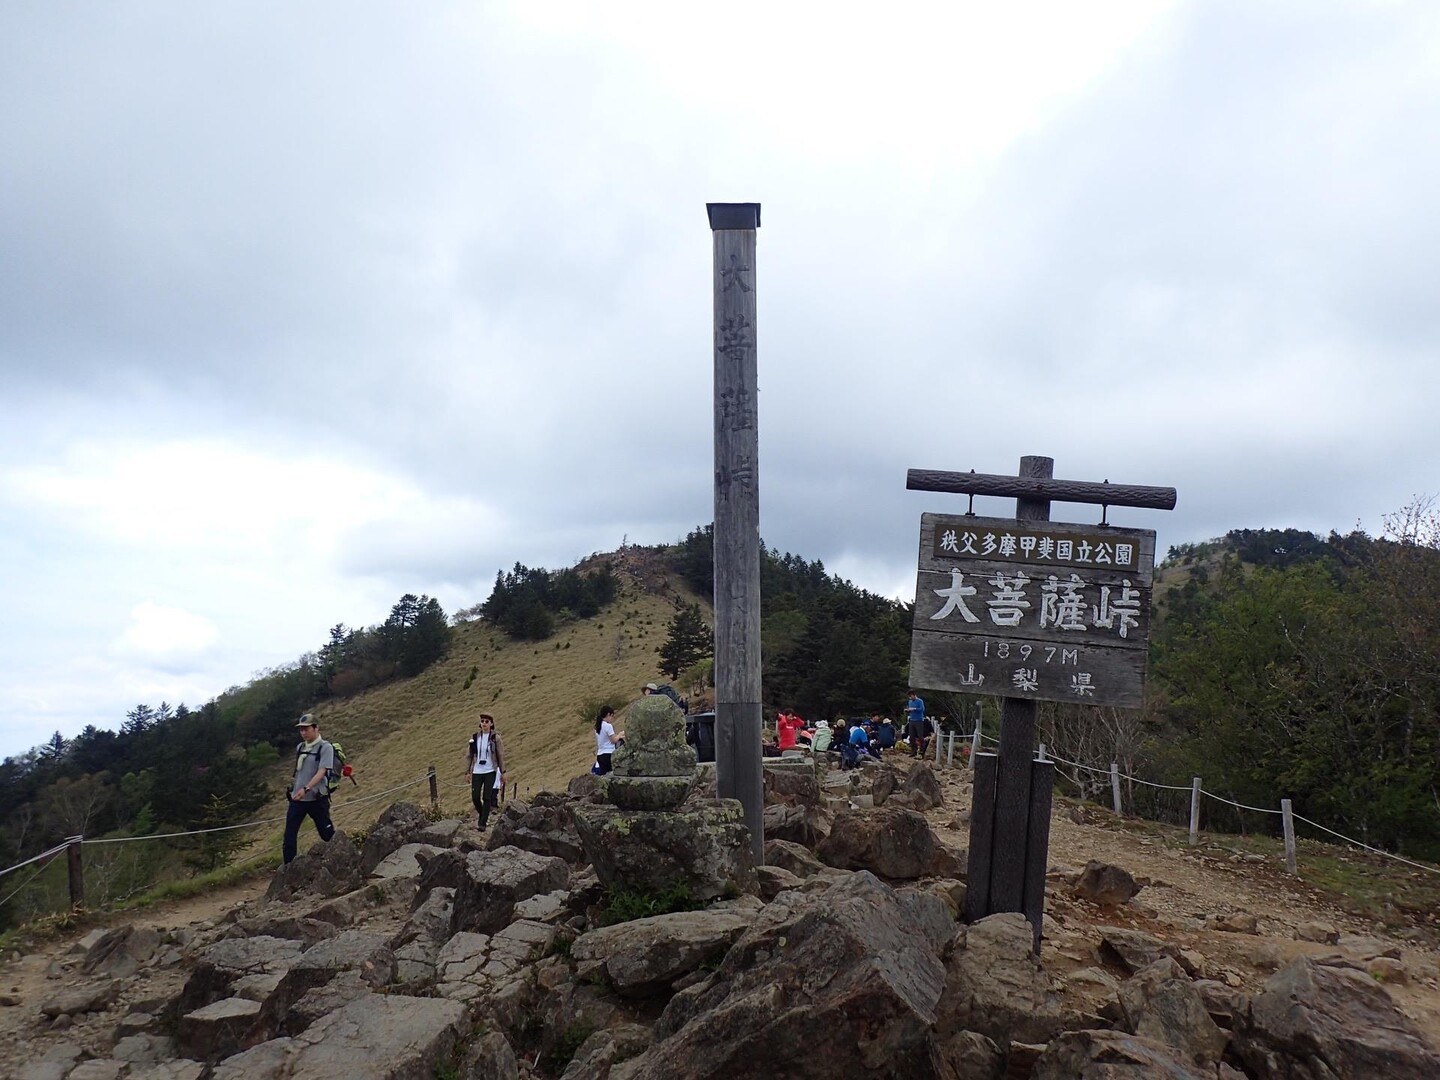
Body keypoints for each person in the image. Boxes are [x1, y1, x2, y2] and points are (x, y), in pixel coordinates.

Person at [284, 714, 336, 864]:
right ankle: (288, 870)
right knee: (289, 837)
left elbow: (322, 771)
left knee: (327, 833)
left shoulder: (325, 747)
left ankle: (341, 858)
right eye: (301, 729)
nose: (303, 733)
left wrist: (306, 789)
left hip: (316, 797)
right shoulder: (300, 747)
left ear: (316, 728)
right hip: (297, 798)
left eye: (306, 729)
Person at [465, 713, 507, 830]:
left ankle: (482, 823)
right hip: (477, 770)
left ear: (491, 724)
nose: (484, 723)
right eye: (482, 721)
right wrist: (467, 771)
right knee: (475, 797)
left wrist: (503, 772)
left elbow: (500, 755)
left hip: (490, 770)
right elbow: (469, 755)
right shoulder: (474, 738)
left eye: (487, 722)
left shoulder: (495, 738)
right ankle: (484, 815)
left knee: (487, 797)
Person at [594, 705, 621, 775]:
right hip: (609, 754)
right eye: (612, 716)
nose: (612, 719)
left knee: (604, 776)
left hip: (600, 755)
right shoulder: (608, 726)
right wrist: (620, 735)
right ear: (608, 714)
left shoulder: (598, 727)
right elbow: (614, 740)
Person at [905, 690, 927, 756]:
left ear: (914, 695)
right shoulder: (910, 702)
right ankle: (913, 751)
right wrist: (908, 710)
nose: (910, 698)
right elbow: (910, 709)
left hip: (919, 720)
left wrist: (915, 709)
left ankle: (922, 750)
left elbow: (922, 709)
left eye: (911, 696)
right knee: (911, 736)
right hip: (912, 720)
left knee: (920, 736)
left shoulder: (920, 701)